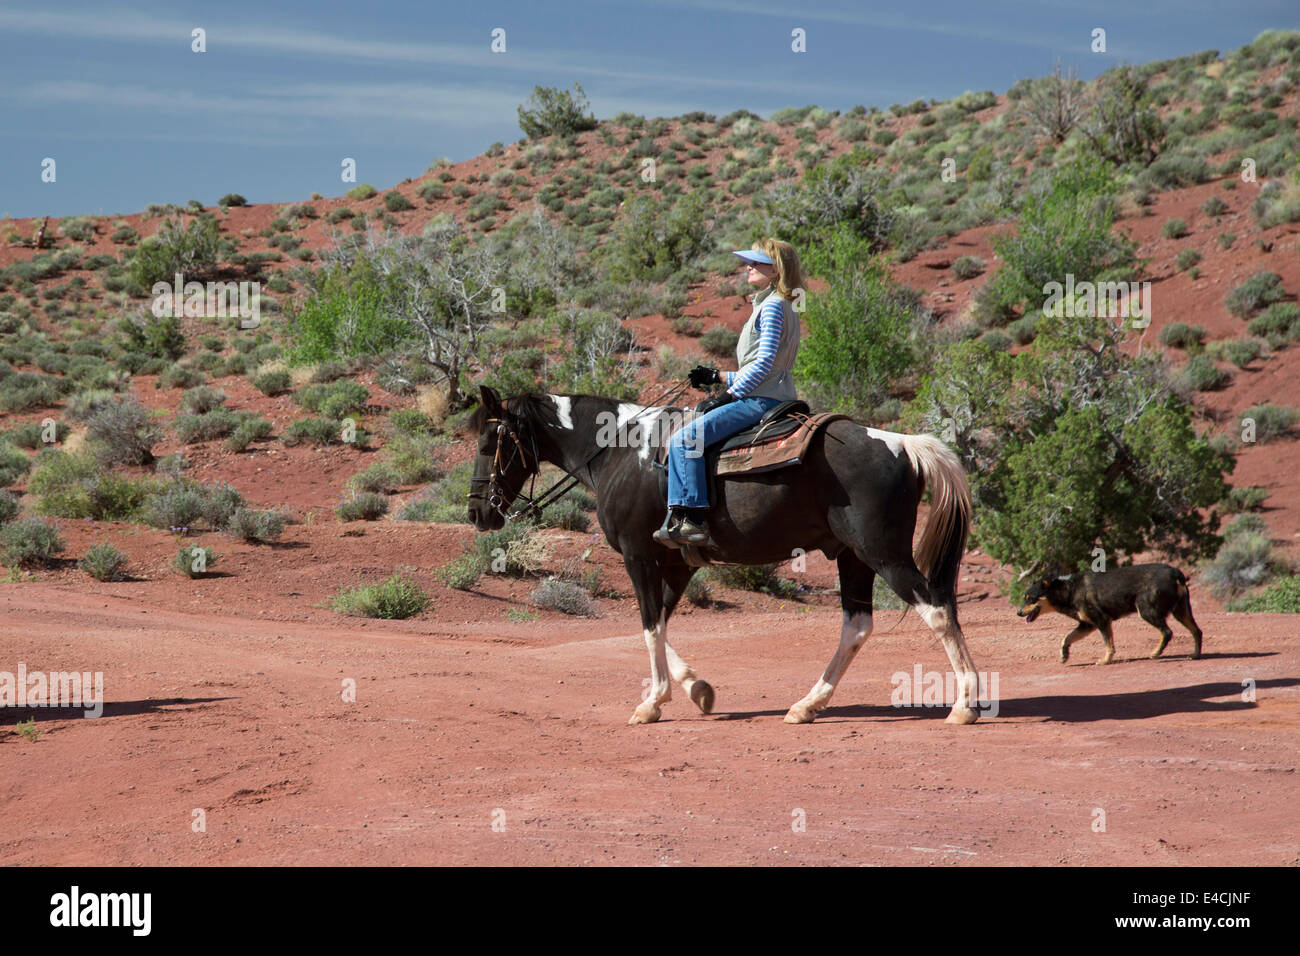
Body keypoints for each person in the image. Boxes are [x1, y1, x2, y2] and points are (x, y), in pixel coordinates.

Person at [654, 238, 804, 547]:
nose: (748, 266)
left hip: (759, 400)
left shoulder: (773, 307)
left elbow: (762, 364)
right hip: (776, 394)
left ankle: (691, 520)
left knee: (684, 440)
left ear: (776, 269)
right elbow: (767, 367)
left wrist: (730, 395)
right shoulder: (782, 305)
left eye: (756, 263)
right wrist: (717, 376)